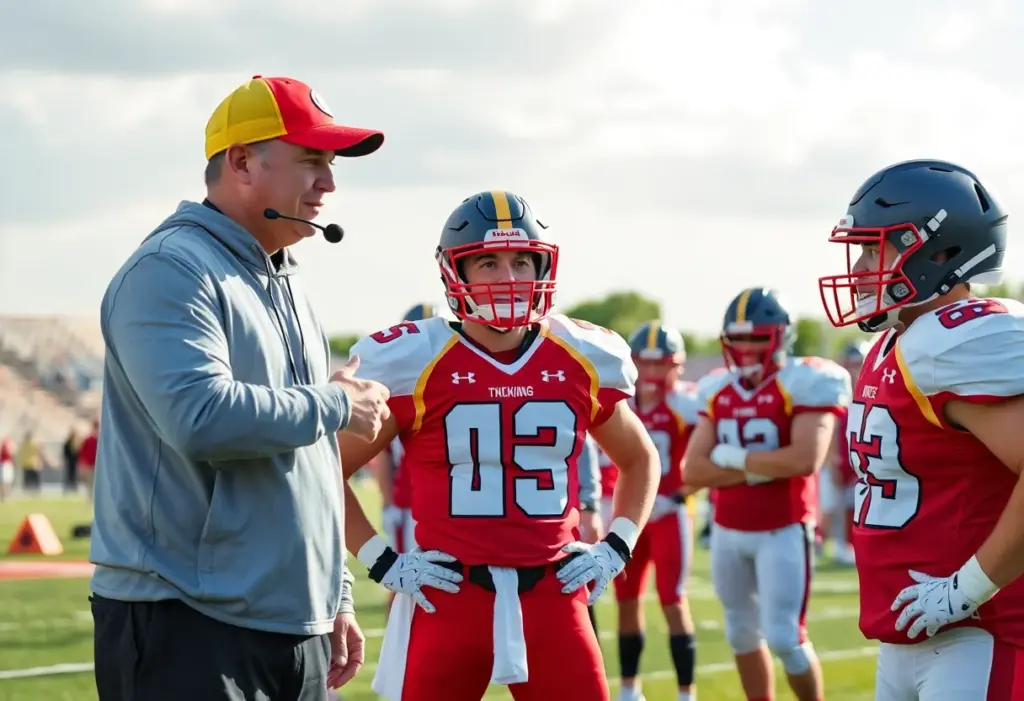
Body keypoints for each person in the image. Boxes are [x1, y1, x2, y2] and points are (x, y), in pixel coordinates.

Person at [88, 74, 390, 700]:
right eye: (311, 161)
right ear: (242, 161)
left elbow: (312, 462)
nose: (329, 184)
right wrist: (335, 403)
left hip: (286, 623)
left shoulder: (287, 281)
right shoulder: (170, 269)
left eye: (331, 165)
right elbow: (199, 417)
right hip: (186, 621)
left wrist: (331, 595)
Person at [339, 190, 661, 701]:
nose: (508, 277)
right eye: (487, 262)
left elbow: (641, 458)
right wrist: (382, 560)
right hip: (449, 592)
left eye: (521, 260)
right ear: (455, 275)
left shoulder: (580, 354)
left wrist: (615, 548)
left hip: (554, 592)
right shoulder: (414, 359)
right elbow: (326, 472)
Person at [818, 159, 1024, 700]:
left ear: (936, 253)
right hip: (910, 633)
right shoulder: (896, 341)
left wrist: (968, 589)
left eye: (874, 248)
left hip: (977, 633)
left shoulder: (949, 341)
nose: (861, 267)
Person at [683, 287, 851, 701]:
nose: (745, 348)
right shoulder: (717, 389)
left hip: (783, 528)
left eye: (756, 337)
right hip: (726, 529)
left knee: (784, 637)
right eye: (737, 338)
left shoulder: (805, 380)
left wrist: (733, 457)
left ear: (780, 337)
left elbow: (803, 460)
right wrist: (760, 469)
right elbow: (694, 469)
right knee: (740, 633)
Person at [610, 321, 701, 701]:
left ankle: (686, 692)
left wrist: (679, 495)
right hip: (631, 517)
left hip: (668, 513)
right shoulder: (621, 403)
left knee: (672, 599)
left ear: (676, 366)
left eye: (659, 364)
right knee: (626, 601)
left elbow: (703, 458)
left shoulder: (686, 403)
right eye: (643, 364)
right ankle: (630, 690)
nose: (650, 373)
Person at [817, 342, 866, 566]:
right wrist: (831, 462)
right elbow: (833, 429)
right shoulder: (839, 393)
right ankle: (823, 545)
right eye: (850, 364)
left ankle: (849, 546)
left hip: (861, 461)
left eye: (857, 364)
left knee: (856, 508)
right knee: (830, 507)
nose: (853, 369)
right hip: (839, 461)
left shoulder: (870, 393)